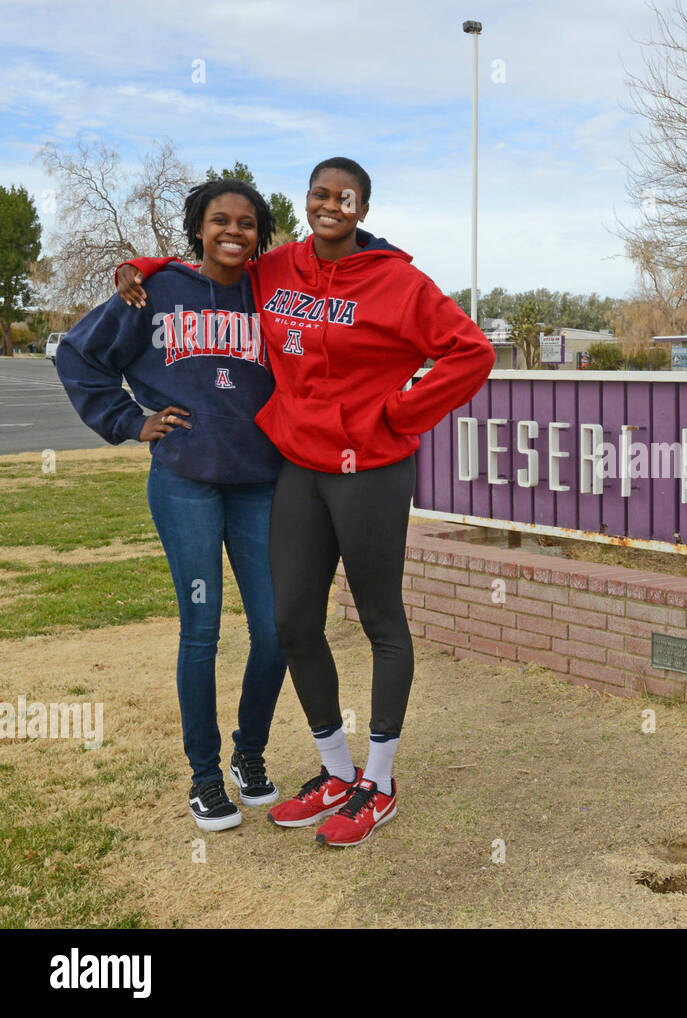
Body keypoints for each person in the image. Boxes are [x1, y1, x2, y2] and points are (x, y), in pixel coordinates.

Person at [117, 157, 495, 846]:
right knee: (292, 623)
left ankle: (379, 783)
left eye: (344, 198)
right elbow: (210, 261)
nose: (330, 206)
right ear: (309, 200)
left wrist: (398, 415)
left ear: (362, 208)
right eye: (320, 194)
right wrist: (139, 267)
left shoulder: (399, 282)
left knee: (382, 621)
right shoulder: (277, 267)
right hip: (298, 466)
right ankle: (334, 772)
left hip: (371, 470)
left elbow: (470, 353)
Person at [60, 178, 287, 832]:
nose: (234, 231)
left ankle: (249, 753)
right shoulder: (154, 291)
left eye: (247, 222)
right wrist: (131, 421)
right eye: (220, 220)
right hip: (184, 480)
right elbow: (79, 356)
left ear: (259, 233)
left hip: (257, 480)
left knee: (276, 629)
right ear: (199, 227)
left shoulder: (270, 294)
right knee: (203, 628)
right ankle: (206, 777)